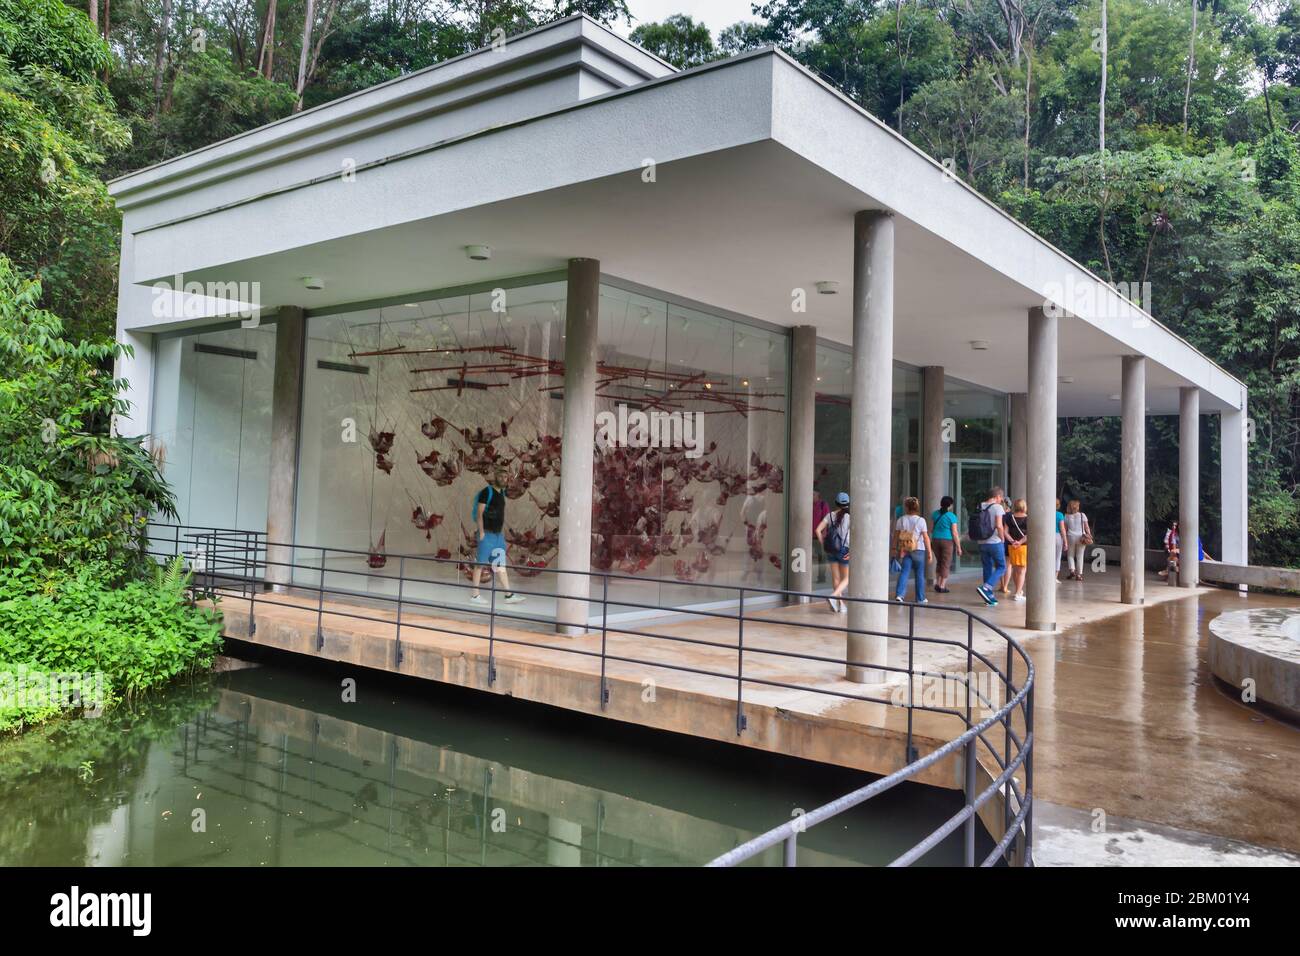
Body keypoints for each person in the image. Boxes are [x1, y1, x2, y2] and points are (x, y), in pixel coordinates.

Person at [470, 467, 525, 604]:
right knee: (480, 564)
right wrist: (481, 531)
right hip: (486, 534)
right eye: (500, 476)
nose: (503, 479)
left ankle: (508, 595)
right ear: (495, 477)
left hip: (497, 536)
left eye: (506, 477)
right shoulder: (486, 492)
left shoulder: (501, 494)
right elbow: (479, 513)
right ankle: (475, 595)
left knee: (500, 564)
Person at [893, 497, 933, 603]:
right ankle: (920, 598)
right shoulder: (921, 520)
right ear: (917, 507)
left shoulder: (901, 520)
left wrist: (894, 548)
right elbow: (925, 537)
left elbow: (896, 536)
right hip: (919, 549)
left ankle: (900, 595)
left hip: (905, 549)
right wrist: (929, 552)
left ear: (906, 507)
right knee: (919, 574)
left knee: (904, 572)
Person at [816, 492, 851, 613]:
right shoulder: (850, 517)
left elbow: (818, 530)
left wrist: (824, 544)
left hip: (831, 549)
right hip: (845, 550)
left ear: (836, 503)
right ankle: (833, 596)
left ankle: (840, 604)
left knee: (836, 578)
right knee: (847, 578)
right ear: (848, 503)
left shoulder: (829, 515)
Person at [973, 487, 1007, 607]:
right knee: (1002, 567)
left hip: (981, 542)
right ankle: (986, 588)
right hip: (994, 542)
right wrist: (1002, 538)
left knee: (987, 567)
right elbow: (999, 525)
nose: (1001, 500)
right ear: (997, 496)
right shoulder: (997, 507)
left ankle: (989, 597)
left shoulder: (980, 506)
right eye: (1001, 498)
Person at [930, 496, 962, 593]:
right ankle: (942, 585)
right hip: (947, 541)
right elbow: (955, 533)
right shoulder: (951, 516)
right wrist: (958, 547)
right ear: (950, 505)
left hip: (935, 540)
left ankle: (937, 583)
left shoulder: (935, 514)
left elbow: (930, 529)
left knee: (939, 562)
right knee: (946, 563)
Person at [1003, 498, 1029, 602]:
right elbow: (1029, 533)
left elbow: (1005, 532)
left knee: (1015, 568)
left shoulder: (1010, 518)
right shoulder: (1028, 518)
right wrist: (1020, 542)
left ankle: (1018, 590)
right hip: (1023, 546)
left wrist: (1013, 541)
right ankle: (1018, 593)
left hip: (1012, 546)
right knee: (1022, 570)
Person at [1063, 499, 1091, 581]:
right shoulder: (1082, 515)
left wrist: (1064, 538)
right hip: (1081, 537)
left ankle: (1072, 570)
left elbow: (1065, 528)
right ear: (1077, 507)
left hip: (1070, 537)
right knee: (1080, 556)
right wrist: (1089, 534)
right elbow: (1086, 527)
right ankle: (1079, 575)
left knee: (1070, 555)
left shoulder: (1066, 516)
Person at [812, 490, 830, 585]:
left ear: (818, 495)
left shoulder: (823, 505)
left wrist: (823, 533)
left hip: (819, 536)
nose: (812, 496)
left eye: (814, 494)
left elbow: (826, 520)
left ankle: (821, 577)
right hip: (808, 535)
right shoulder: (808, 504)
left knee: (821, 556)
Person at [1053, 498, 1068, 584]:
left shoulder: (1045, 513)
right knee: (1057, 557)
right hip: (1057, 536)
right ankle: (1055, 577)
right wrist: (1065, 541)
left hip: (1046, 536)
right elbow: (1062, 529)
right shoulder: (1059, 515)